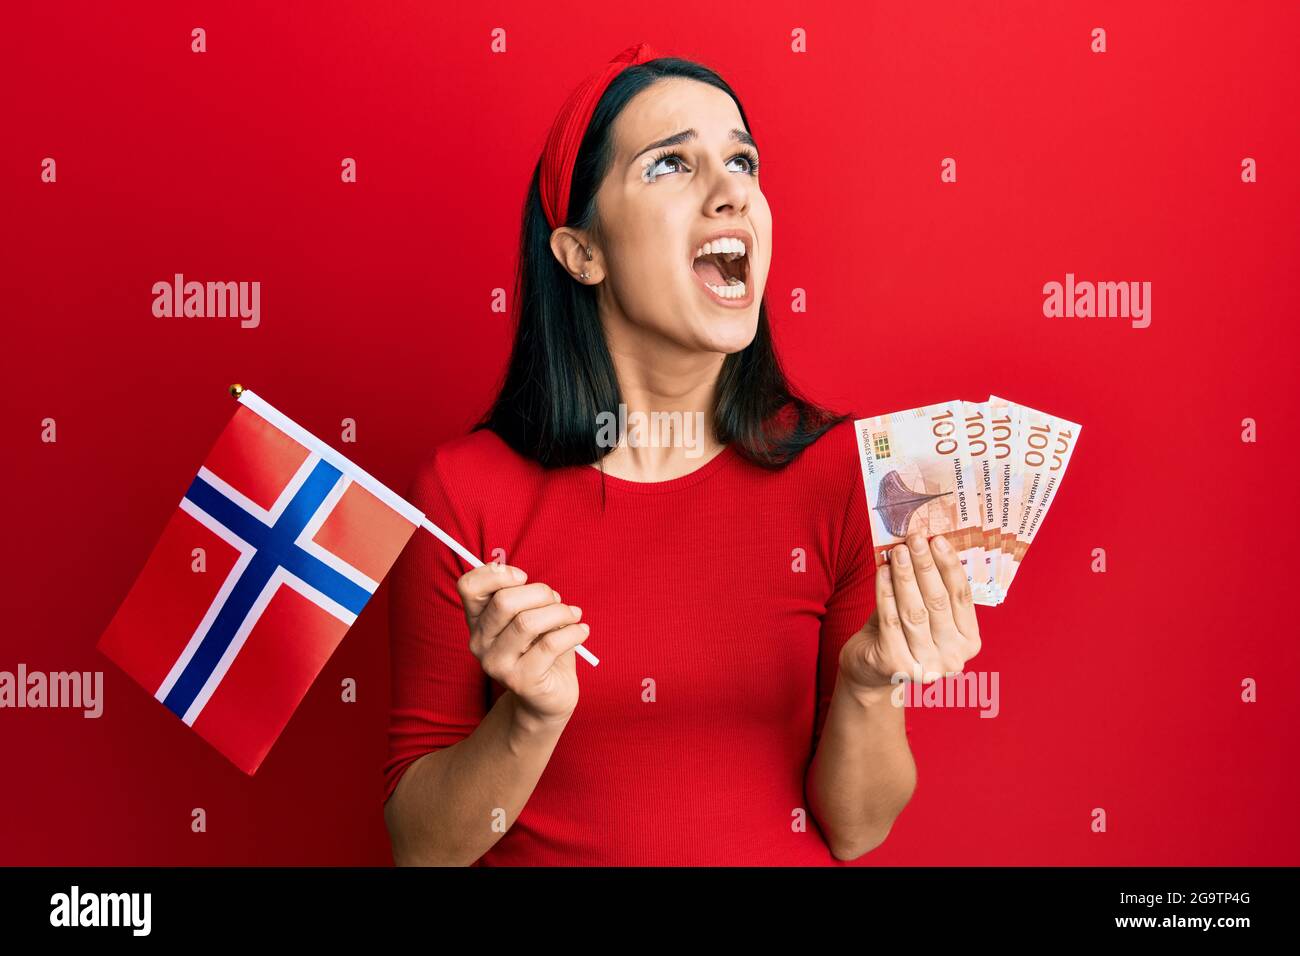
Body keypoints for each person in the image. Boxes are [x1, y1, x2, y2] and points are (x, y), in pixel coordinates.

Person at [382, 43, 981, 866]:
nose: (732, 189)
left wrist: (871, 682)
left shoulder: (845, 470)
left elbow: (858, 829)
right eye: (671, 165)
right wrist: (527, 720)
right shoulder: (466, 492)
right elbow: (423, 852)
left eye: (743, 160)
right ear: (580, 252)